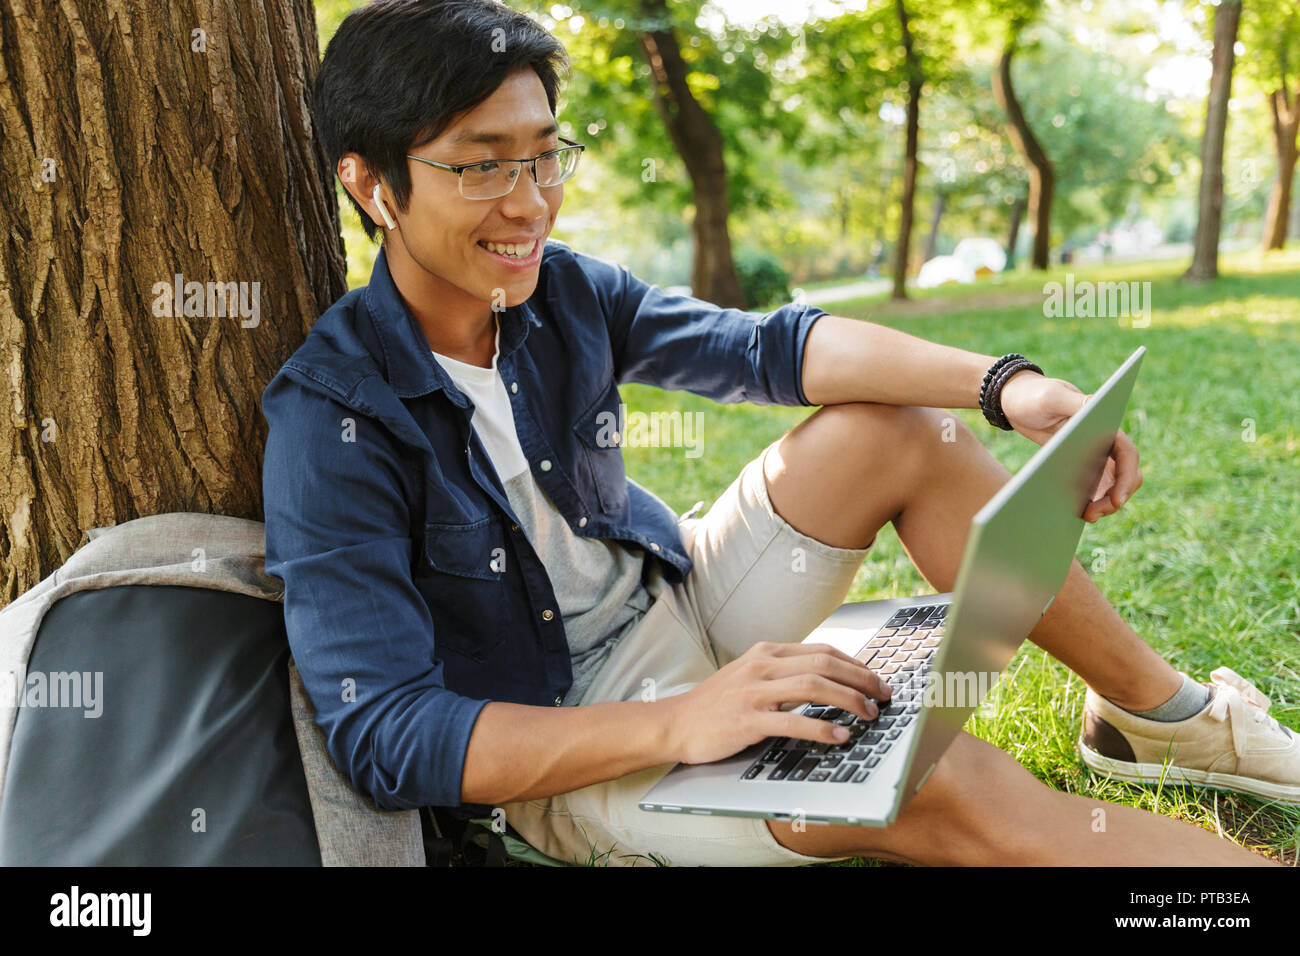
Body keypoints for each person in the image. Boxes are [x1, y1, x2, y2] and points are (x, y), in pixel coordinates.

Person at [261, 0, 1294, 867]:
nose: (530, 203)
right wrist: (683, 719)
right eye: (483, 167)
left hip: (680, 597)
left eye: (543, 158)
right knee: (909, 768)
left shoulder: (559, 292)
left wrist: (1004, 384)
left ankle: (1157, 716)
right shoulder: (333, 415)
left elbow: (765, 348)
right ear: (370, 184)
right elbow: (384, 729)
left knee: (895, 429)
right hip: (578, 739)